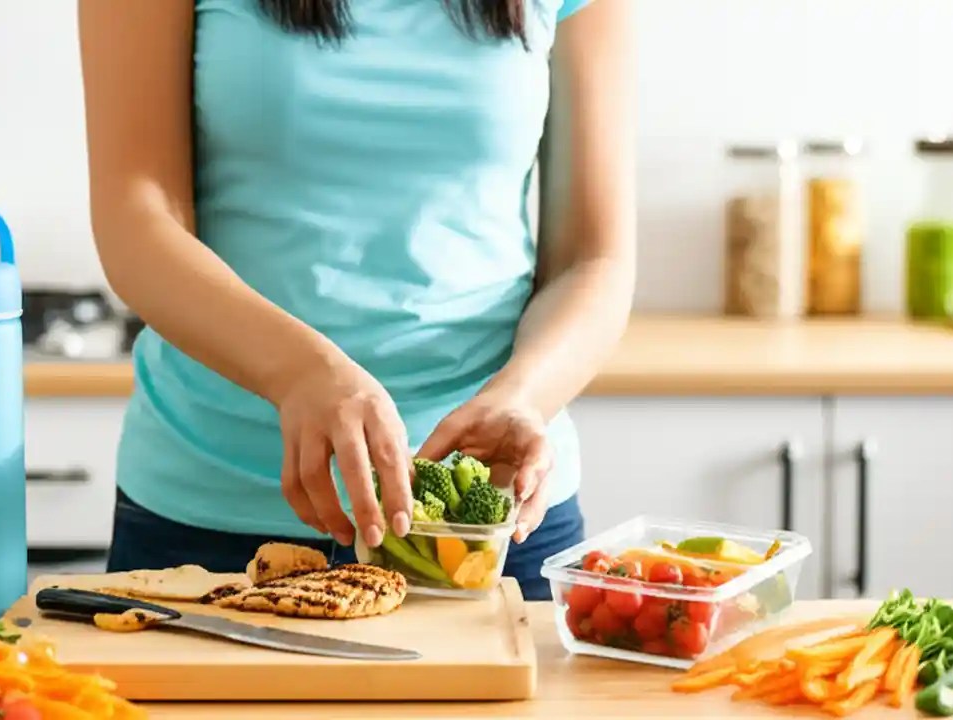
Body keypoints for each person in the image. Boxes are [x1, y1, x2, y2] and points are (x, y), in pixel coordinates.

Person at [77, 0, 635, 601]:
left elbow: (591, 258)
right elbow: (137, 214)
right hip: (210, 508)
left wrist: (522, 397)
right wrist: (297, 371)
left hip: (489, 525)